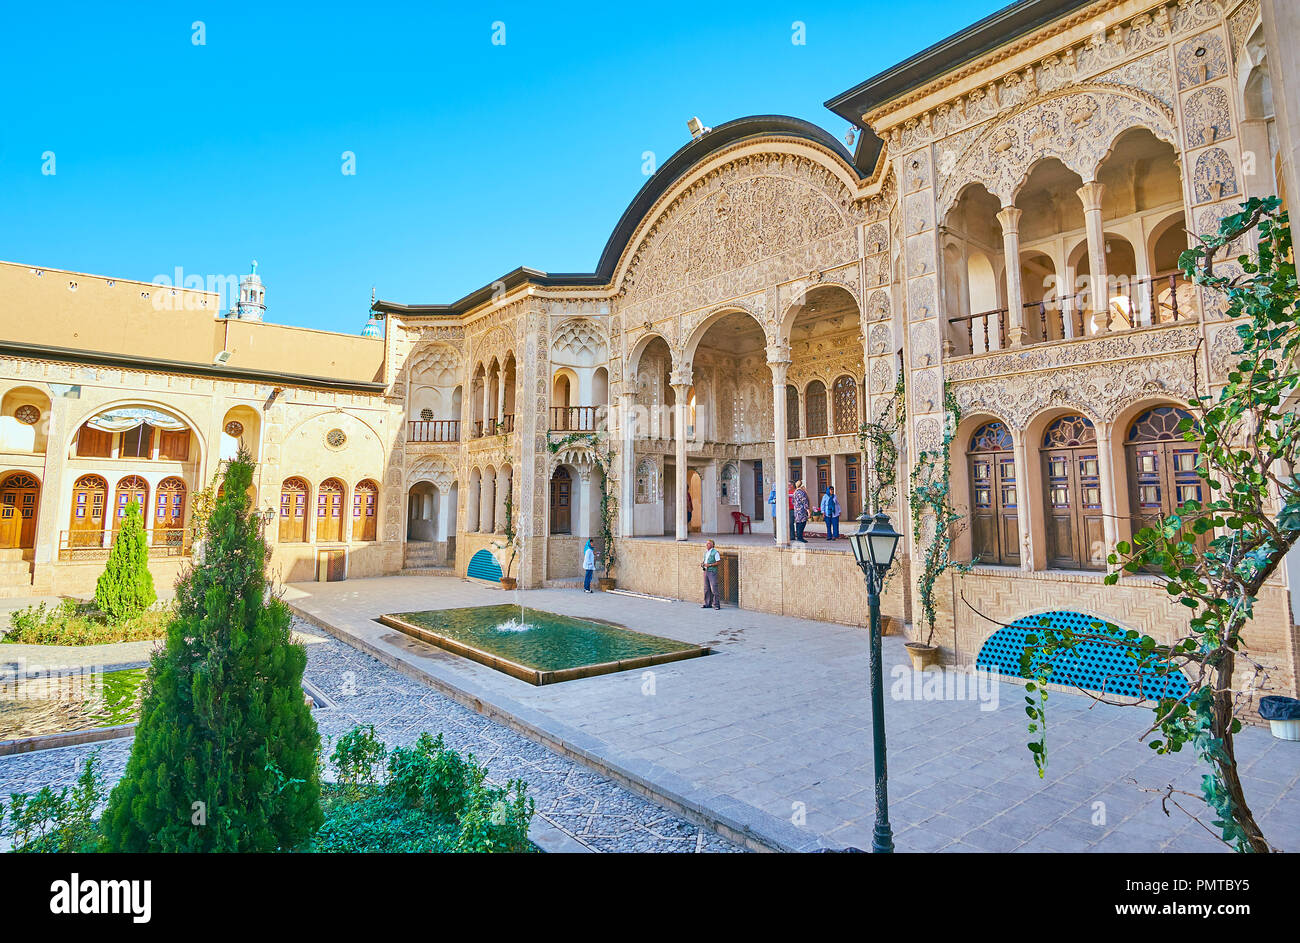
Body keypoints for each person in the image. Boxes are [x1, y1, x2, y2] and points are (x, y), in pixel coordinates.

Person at [700, 539, 721, 609]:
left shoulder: (715, 552)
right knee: (706, 588)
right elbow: (705, 560)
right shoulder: (706, 552)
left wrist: (710, 565)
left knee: (714, 588)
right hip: (706, 571)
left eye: (708, 543)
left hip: (712, 572)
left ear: (712, 545)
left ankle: (716, 605)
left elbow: (718, 562)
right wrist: (703, 564)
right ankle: (707, 603)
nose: (707, 545)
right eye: (706, 543)